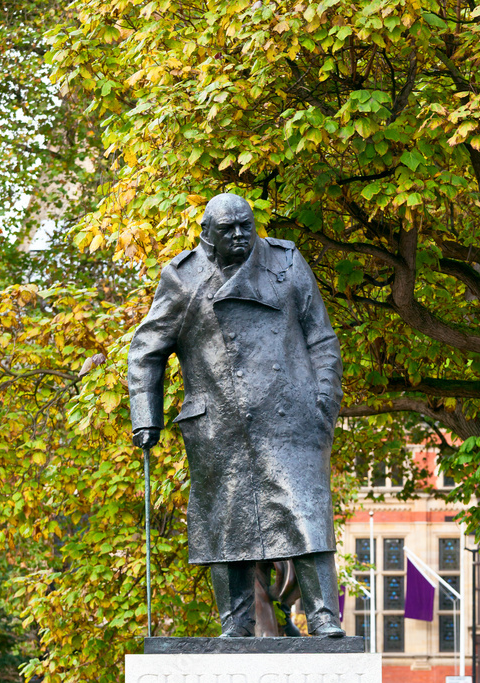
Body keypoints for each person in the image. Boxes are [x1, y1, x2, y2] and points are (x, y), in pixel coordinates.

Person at [128, 192, 345, 638]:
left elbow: (322, 339)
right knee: (226, 524)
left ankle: (324, 617)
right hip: (219, 425)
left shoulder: (285, 263)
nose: (241, 235)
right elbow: (146, 351)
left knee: (306, 515)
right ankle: (235, 623)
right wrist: (145, 415)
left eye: (246, 225)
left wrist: (324, 401)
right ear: (207, 233)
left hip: (293, 419)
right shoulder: (183, 278)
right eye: (228, 229)